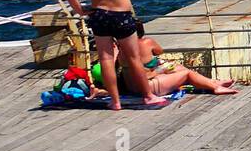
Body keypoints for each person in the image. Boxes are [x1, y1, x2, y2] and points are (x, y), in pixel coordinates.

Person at [65, 0, 166, 111]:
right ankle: (148, 96)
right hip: (122, 14)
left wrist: (80, 11)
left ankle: (115, 101)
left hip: (100, 15)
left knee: (105, 58)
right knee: (134, 58)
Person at [97, 21, 239, 97]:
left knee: (178, 68)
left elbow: (117, 70)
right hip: (150, 86)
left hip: (133, 86)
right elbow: (159, 51)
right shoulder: (146, 42)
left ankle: (213, 82)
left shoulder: (120, 48)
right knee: (186, 73)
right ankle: (215, 87)